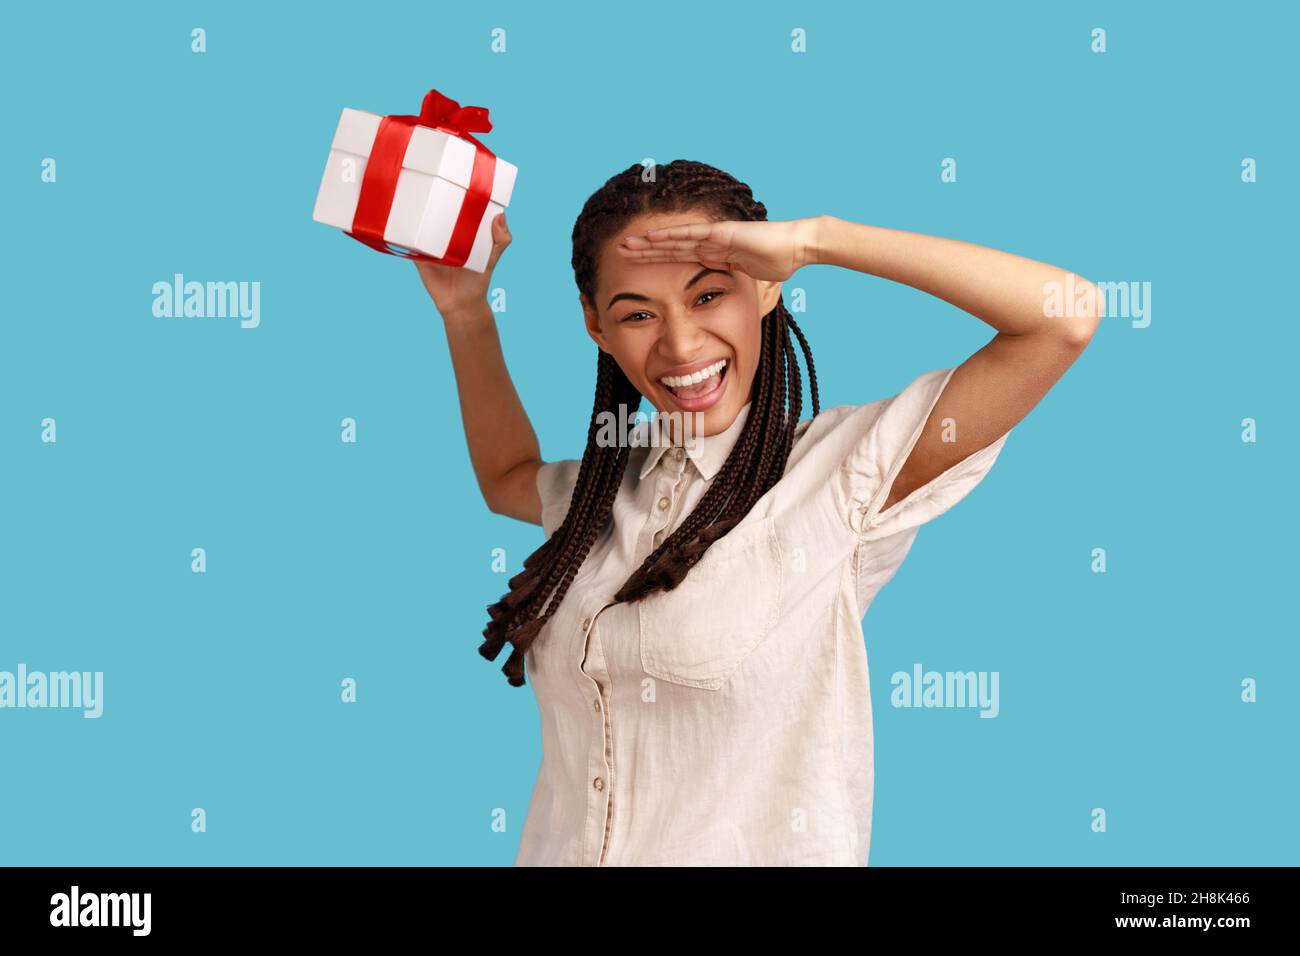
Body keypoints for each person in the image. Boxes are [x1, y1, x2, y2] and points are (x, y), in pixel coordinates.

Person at [415, 159, 1102, 866]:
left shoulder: (840, 477)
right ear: (596, 326)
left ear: (767, 286)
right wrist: (466, 312)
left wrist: (816, 242)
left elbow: (1064, 318)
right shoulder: (598, 496)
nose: (680, 345)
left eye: (709, 295)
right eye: (638, 313)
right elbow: (505, 477)